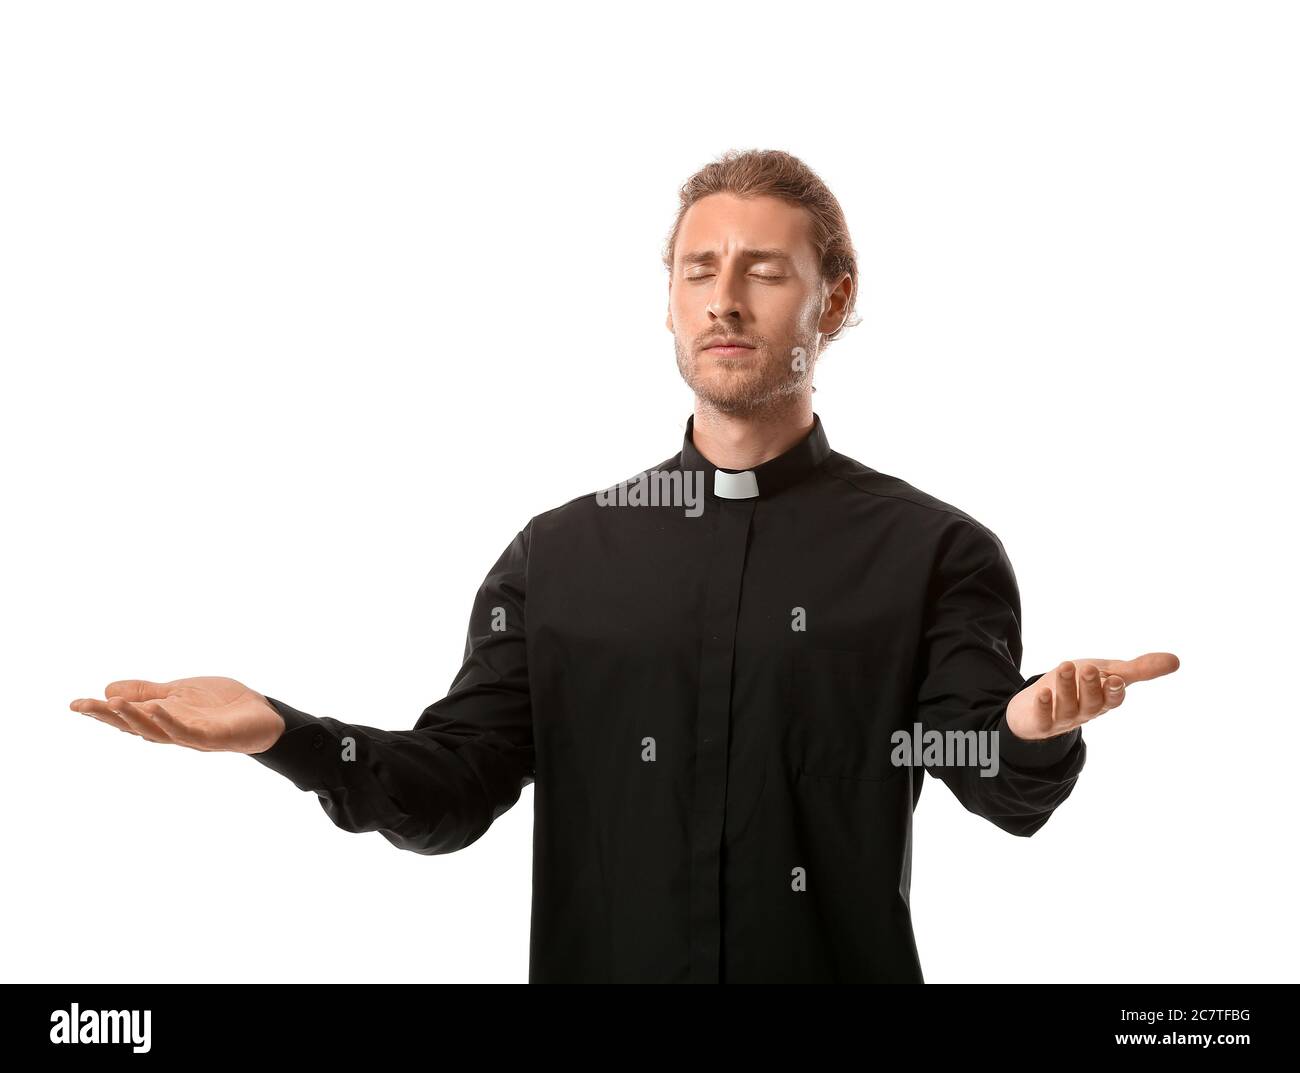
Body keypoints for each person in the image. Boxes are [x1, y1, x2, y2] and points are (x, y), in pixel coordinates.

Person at [69, 148, 1180, 983]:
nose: (725, 299)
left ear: (831, 298)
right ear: (668, 301)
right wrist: (284, 729)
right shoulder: (555, 556)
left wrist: (1033, 729)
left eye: (763, 270)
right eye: (699, 269)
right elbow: (452, 790)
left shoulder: (935, 550)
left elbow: (979, 762)